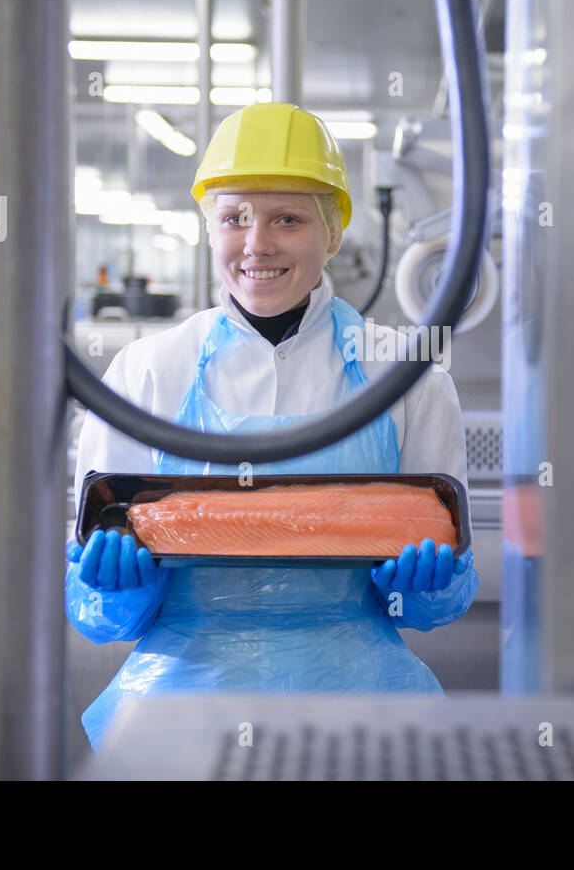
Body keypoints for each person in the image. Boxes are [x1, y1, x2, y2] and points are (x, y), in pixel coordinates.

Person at [66, 101, 479, 750]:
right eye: (235, 218)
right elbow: (98, 610)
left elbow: (438, 595)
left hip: (358, 713)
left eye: (288, 218)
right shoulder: (145, 373)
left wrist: (427, 583)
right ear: (210, 228)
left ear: (334, 231)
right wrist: (117, 585)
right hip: (179, 718)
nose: (257, 243)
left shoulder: (406, 377)